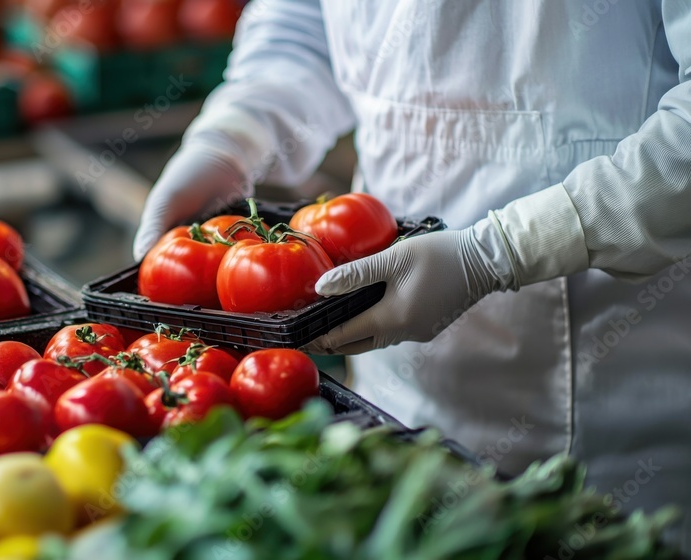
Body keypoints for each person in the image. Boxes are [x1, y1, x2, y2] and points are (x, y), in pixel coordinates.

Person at [133, 0, 691, 551]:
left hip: (618, 404)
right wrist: (232, 138)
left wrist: (496, 252)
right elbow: (303, 22)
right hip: (393, 390)